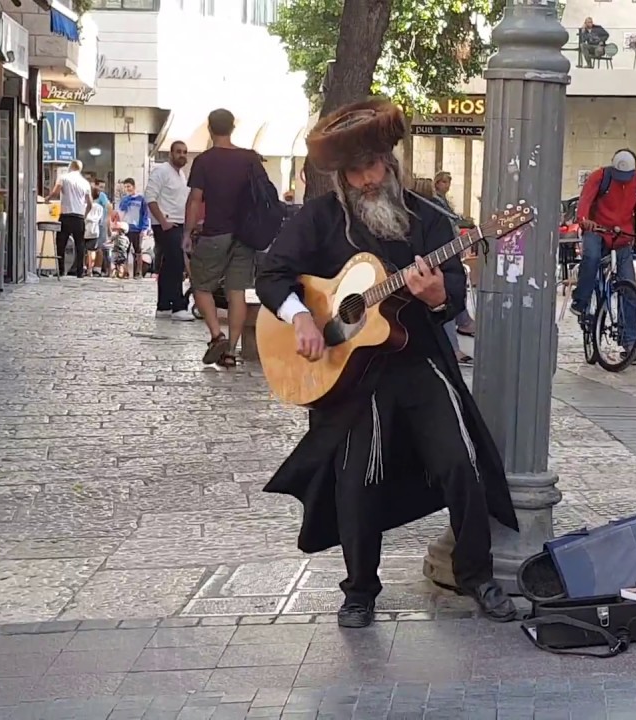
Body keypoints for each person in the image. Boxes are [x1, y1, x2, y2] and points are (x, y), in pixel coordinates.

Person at [256, 97, 519, 629]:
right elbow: (272, 272)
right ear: (342, 177)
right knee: (357, 479)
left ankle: (477, 575)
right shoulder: (321, 216)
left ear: (391, 161)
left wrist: (434, 295)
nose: (367, 180)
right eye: (355, 173)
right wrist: (302, 318)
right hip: (349, 377)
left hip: (418, 362)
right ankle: (359, 591)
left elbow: (455, 297)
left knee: (460, 465)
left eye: (374, 166)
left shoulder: (430, 218)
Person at [186, 108, 262, 368]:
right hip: (246, 235)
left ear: (210, 128)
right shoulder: (249, 158)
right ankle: (230, 351)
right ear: (232, 128)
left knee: (201, 284)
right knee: (236, 292)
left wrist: (187, 232)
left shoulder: (204, 161)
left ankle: (216, 335)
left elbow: (195, 199)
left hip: (215, 233)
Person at [572, 148, 636, 366]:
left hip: (622, 236)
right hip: (597, 229)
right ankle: (581, 301)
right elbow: (585, 202)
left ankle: (630, 344)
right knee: (590, 258)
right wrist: (584, 219)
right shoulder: (600, 177)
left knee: (629, 287)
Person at [412, 177, 473, 365]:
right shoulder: (430, 206)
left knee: (440, 293)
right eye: (444, 182)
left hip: (436, 267)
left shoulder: (438, 207)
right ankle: (459, 335)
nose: (447, 186)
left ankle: (457, 340)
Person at [145, 141, 194, 321]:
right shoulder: (161, 171)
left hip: (178, 223)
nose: (182, 155)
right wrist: (163, 221)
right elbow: (149, 197)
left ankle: (164, 306)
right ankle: (178, 307)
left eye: (185, 152)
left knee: (168, 266)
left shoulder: (181, 175)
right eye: (179, 152)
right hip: (166, 224)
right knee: (176, 263)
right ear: (170, 154)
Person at [429, 171, 477, 338]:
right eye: (444, 182)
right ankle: (463, 324)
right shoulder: (435, 202)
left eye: (448, 182)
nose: (447, 186)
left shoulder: (445, 202)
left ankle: (464, 322)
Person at [46, 159, 91, 278]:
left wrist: (46, 199)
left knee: (61, 243)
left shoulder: (63, 178)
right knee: (80, 245)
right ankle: (80, 272)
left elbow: (55, 192)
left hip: (66, 215)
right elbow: (90, 202)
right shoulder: (85, 183)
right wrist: (84, 214)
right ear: (80, 169)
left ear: (70, 167)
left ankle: (61, 270)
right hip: (79, 217)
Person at [118, 177, 150, 278]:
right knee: (124, 250)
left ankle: (138, 272)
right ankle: (125, 272)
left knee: (138, 251)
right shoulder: (124, 200)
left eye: (129, 186)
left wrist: (144, 228)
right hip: (126, 228)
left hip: (137, 228)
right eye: (125, 187)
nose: (127, 189)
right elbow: (121, 213)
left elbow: (145, 214)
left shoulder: (141, 199)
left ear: (134, 186)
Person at [83, 186, 106, 276]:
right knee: (93, 249)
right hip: (95, 229)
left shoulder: (84, 205)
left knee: (84, 249)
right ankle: (92, 269)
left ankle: (84, 267)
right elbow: (101, 220)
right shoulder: (99, 207)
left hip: (85, 228)